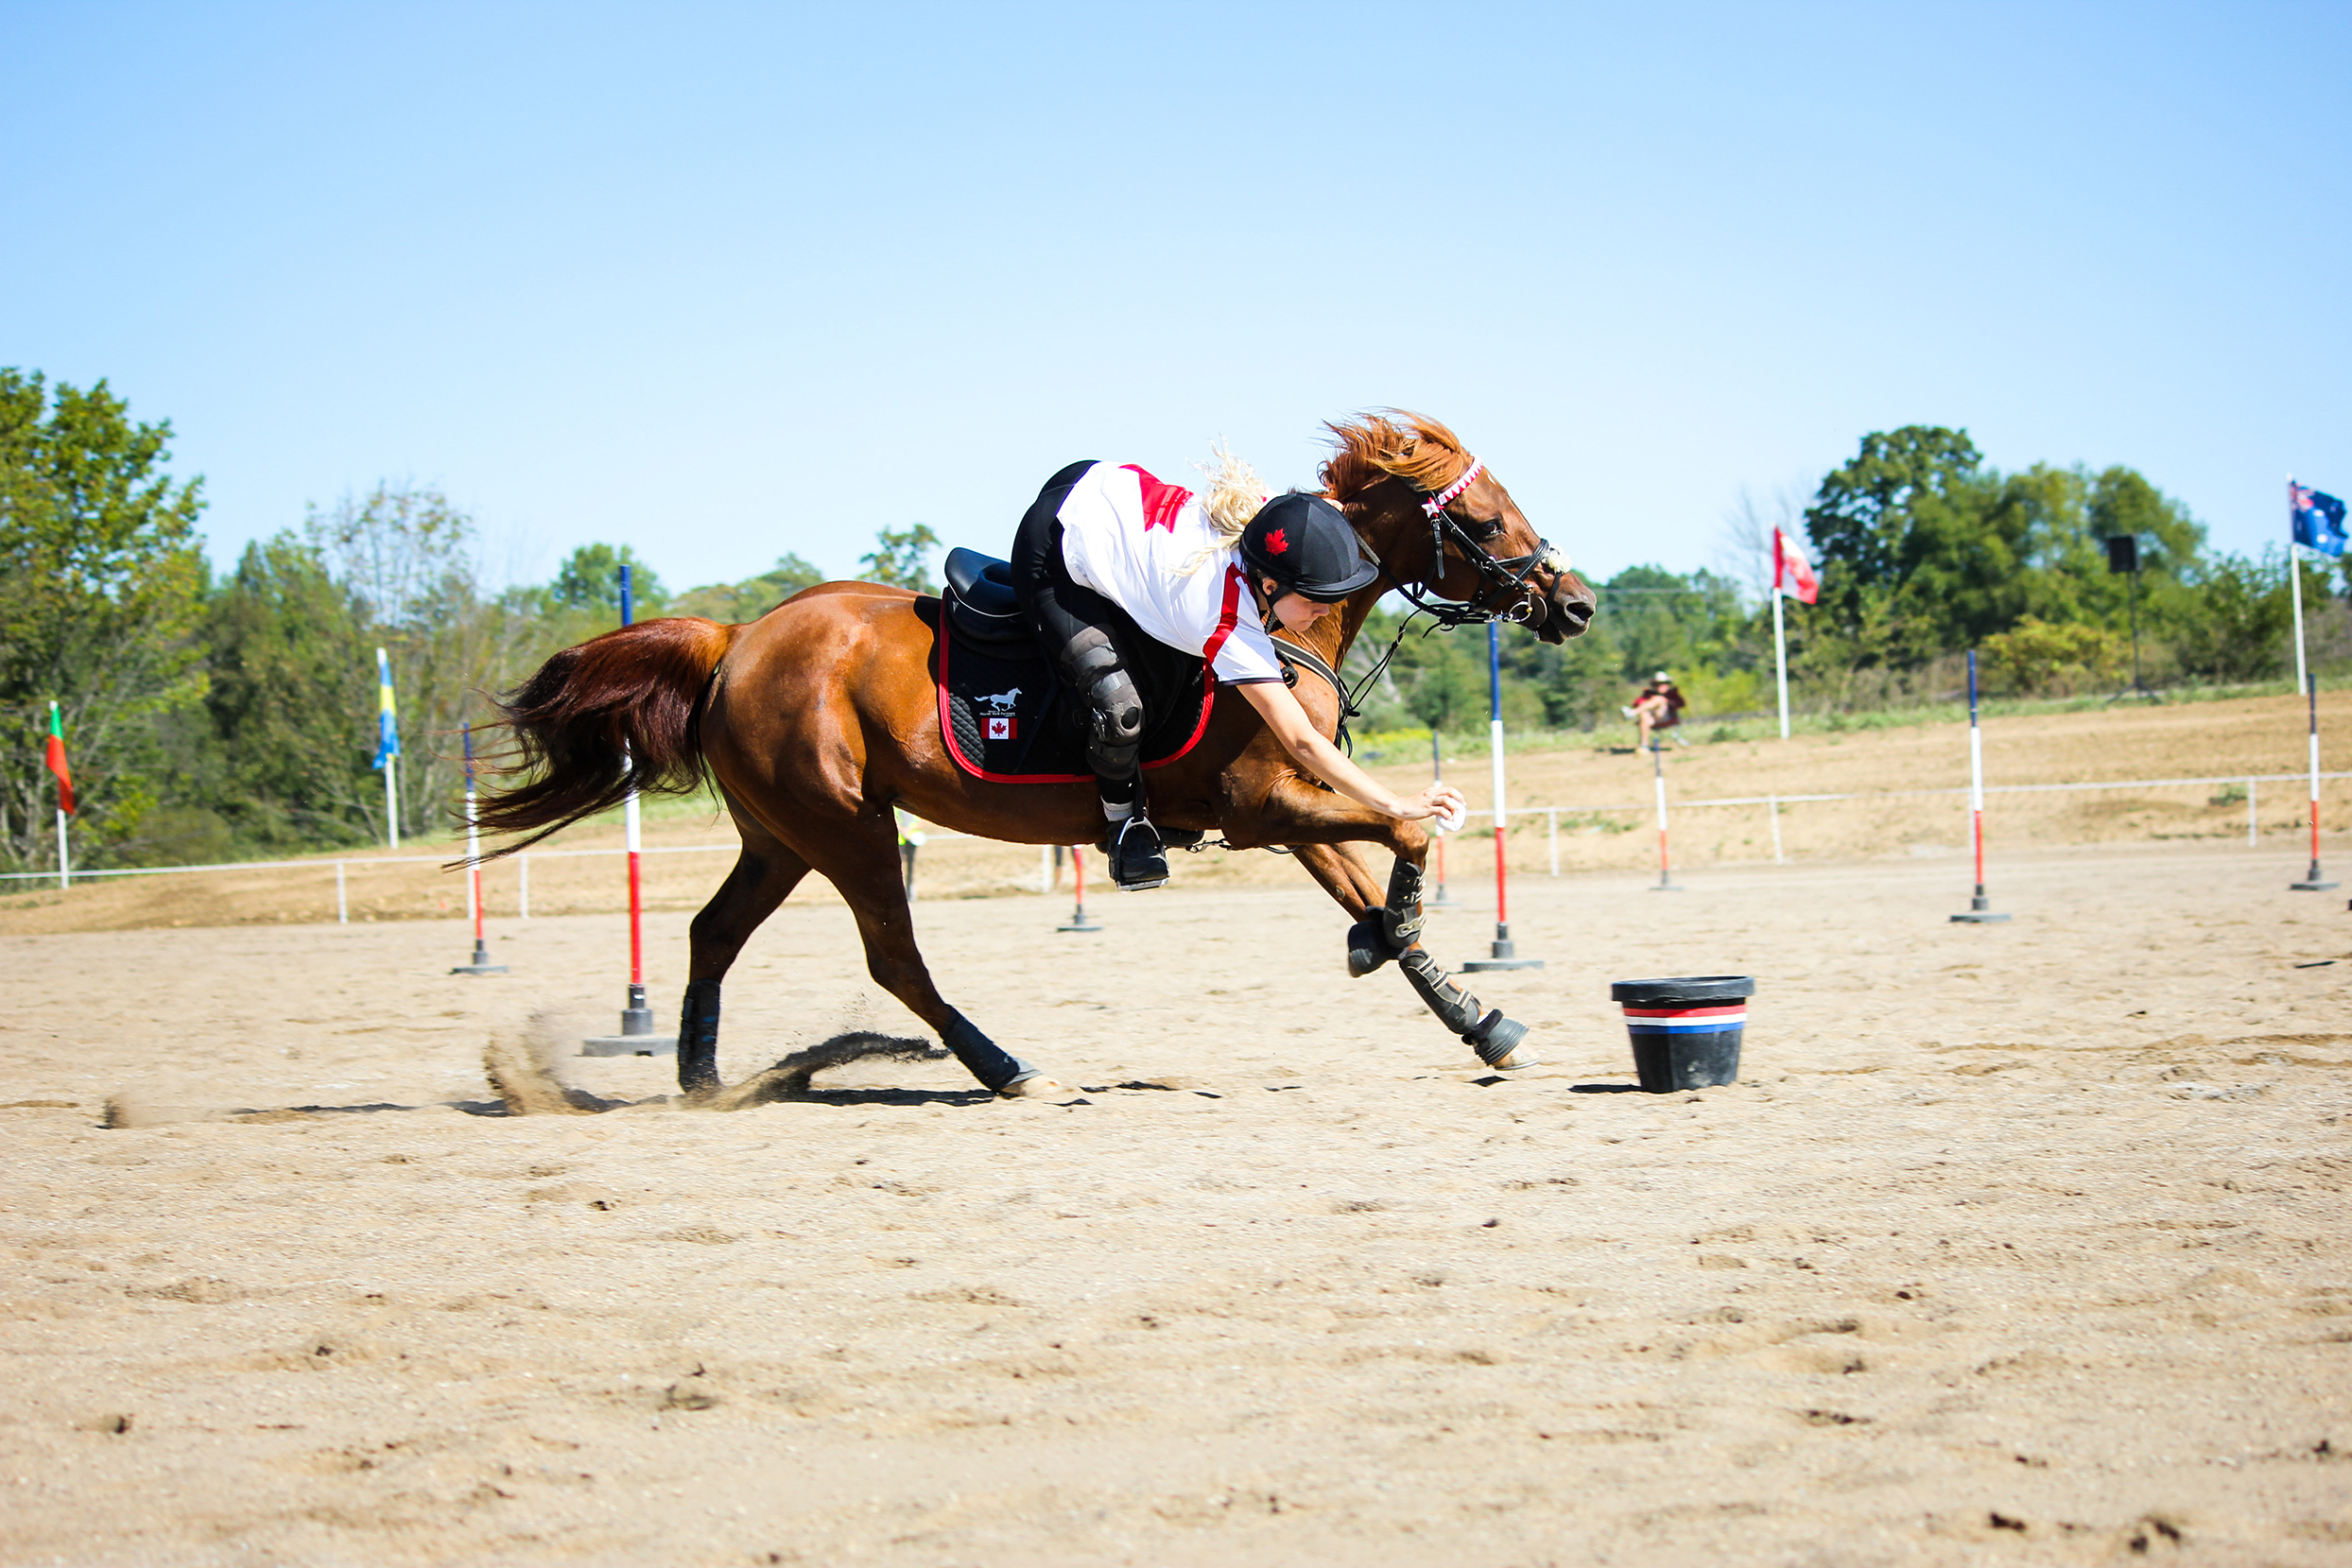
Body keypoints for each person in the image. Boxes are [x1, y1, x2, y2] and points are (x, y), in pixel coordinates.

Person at [1012, 452, 1465, 889]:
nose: (1325, 613)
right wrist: (1396, 804)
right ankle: (1125, 823)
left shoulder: (1274, 523)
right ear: (1269, 584)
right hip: (1053, 542)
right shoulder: (1220, 617)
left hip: (1107, 490)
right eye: (1313, 600)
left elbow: (1317, 514)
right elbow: (1303, 741)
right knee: (1119, 705)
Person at [1622, 670, 1686, 750]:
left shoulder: (1672, 694)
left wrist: (1667, 702)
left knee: (1659, 699)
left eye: (1663, 683)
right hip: (1652, 720)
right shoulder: (1648, 694)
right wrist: (1650, 703)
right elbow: (1637, 703)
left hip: (1666, 718)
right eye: (1657, 684)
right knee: (1644, 714)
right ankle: (1644, 746)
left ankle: (1632, 713)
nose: (1660, 686)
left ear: (1667, 684)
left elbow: (1681, 704)